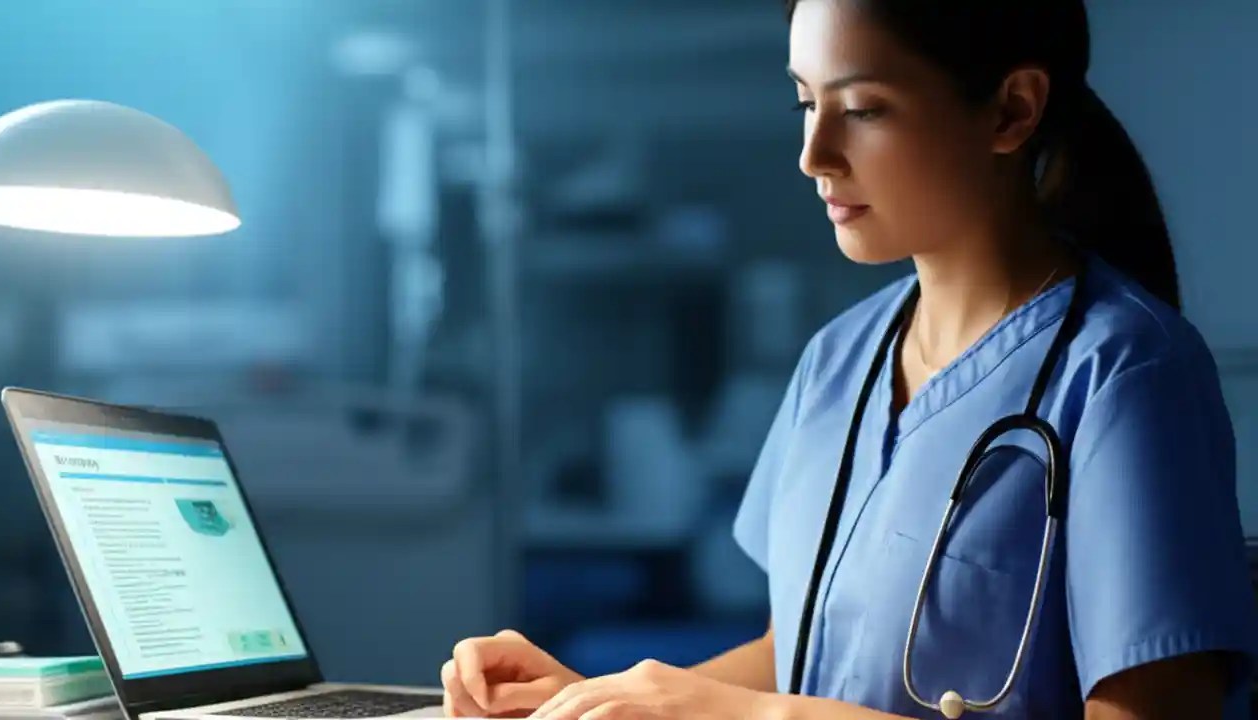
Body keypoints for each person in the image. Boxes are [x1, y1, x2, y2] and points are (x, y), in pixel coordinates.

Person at [440, 0, 1258, 717]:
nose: (815, 154)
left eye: (863, 109)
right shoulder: (838, 360)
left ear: (1012, 110)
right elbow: (796, 655)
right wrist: (597, 698)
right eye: (805, 102)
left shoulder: (1125, 372)